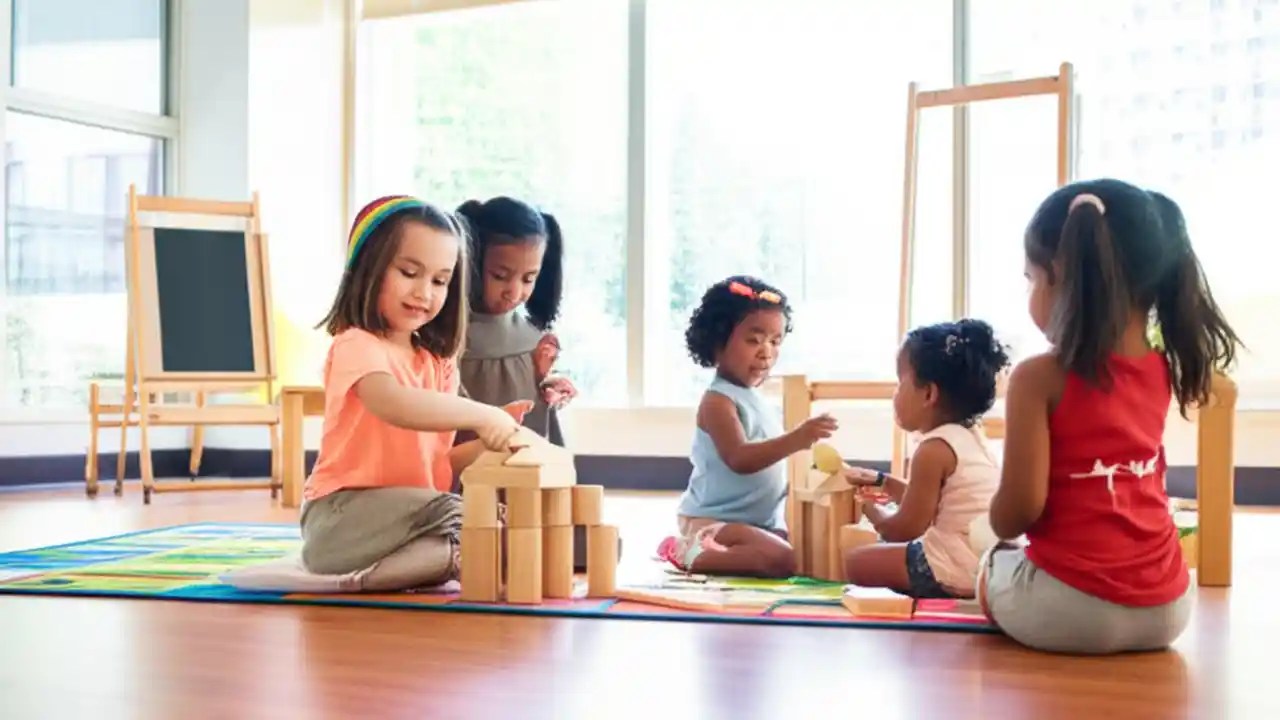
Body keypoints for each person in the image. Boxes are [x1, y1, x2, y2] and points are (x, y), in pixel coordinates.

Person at [977, 179, 1242, 654]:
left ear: (1063, 276)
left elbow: (1018, 513)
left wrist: (993, 519)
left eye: (1031, 279)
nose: (1030, 294)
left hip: (1068, 611)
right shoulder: (1163, 367)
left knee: (992, 563)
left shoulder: (1037, 377)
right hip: (1168, 609)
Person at [299, 195, 531, 592]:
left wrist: (491, 445)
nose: (425, 292)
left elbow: (438, 461)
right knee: (460, 514)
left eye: (440, 281)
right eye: (409, 272)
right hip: (338, 520)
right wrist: (481, 414)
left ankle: (410, 569)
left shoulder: (435, 363)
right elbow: (393, 404)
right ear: (368, 269)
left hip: (409, 522)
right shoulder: (356, 344)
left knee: (484, 521)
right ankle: (431, 560)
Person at [657, 276, 839, 578]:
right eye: (754, 340)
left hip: (755, 524)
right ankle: (684, 551)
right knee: (782, 560)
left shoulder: (758, 400)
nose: (766, 351)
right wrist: (798, 438)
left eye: (775, 341)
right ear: (717, 344)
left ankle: (732, 553)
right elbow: (740, 458)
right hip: (713, 522)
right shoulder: (718, 402)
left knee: (806, 552)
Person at [841, 319, 1009, 599]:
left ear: (928, 393)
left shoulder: (932, 450)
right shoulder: (970, 438)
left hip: (953, 565)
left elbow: (905, 529)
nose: (894, 394)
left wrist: (870, 511)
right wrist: (883, 481)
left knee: (856, 561)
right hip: (988, 562)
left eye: (899, 383)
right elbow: (932, 503)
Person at [454, 197, 575, 446]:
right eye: (500, 276)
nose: (514, 291)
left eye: (529, 279)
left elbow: (535, 412)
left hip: (527, 466)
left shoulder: (534, 339)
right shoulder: (448, 334)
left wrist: (549, 387)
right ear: (471, 262)